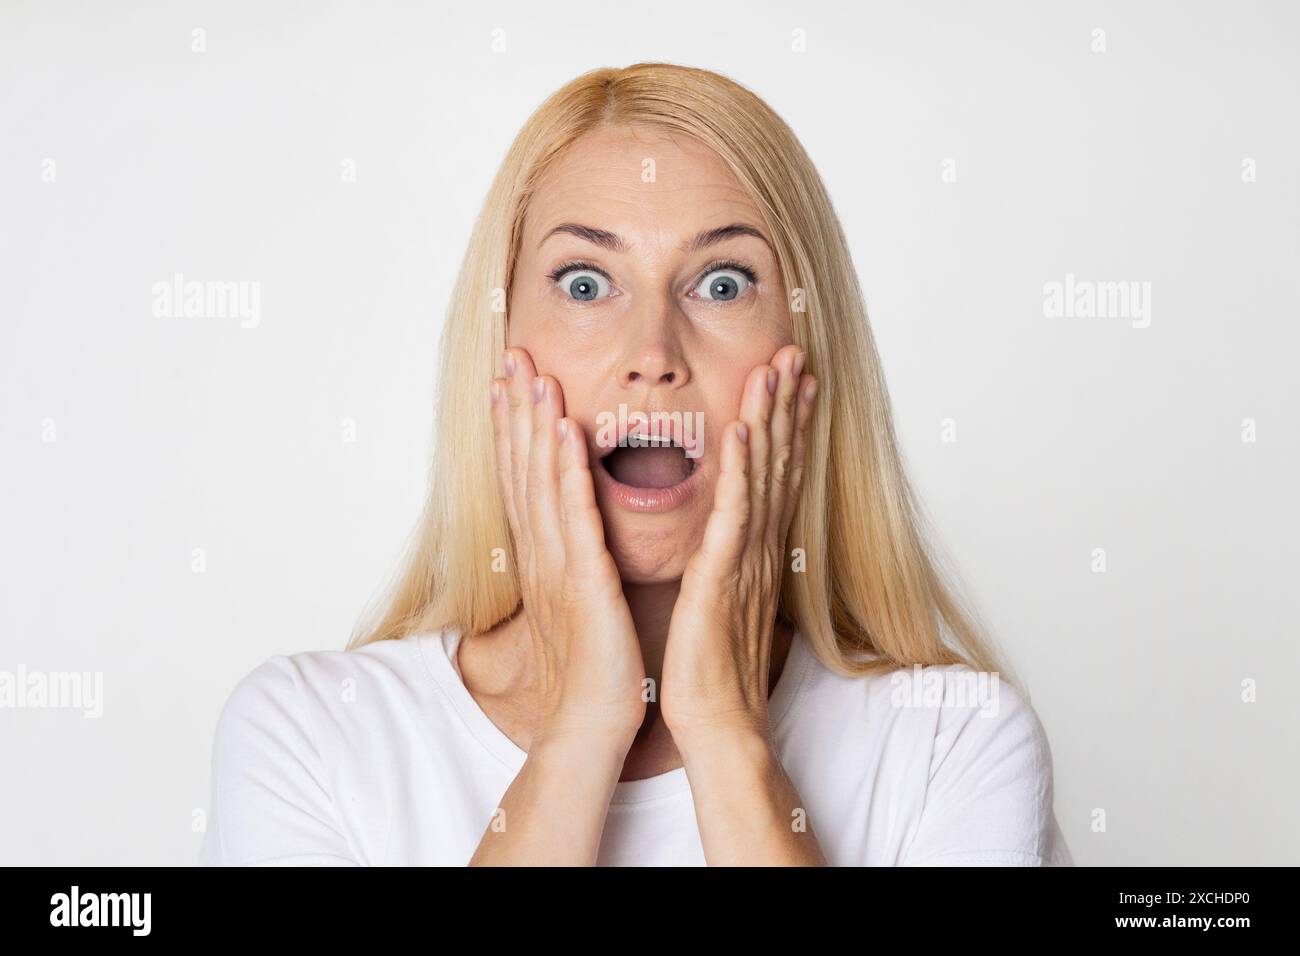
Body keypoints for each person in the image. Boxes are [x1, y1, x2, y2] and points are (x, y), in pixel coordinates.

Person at [199, 62, 1072, 866]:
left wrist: (725, 731)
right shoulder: (311, 735)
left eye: (723, 283)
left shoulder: (953, 742)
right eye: (584, 283)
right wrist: (582, 727)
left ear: (809, 355)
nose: (652, 352)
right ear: (501, 351)